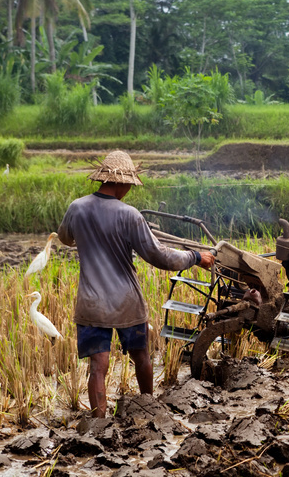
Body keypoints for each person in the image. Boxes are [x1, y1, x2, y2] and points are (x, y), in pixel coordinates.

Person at [58, 151, 215, 417]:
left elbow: (65, 238)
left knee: (98, 366)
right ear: (121, 182)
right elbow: (159, 255)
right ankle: (149, 409)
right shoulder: (129, 215)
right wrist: (195, 257)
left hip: (92, 304)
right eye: (130, 185)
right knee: (141, 355)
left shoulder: (77, 208)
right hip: (126, 302)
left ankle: (98, 424)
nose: (130, 190)